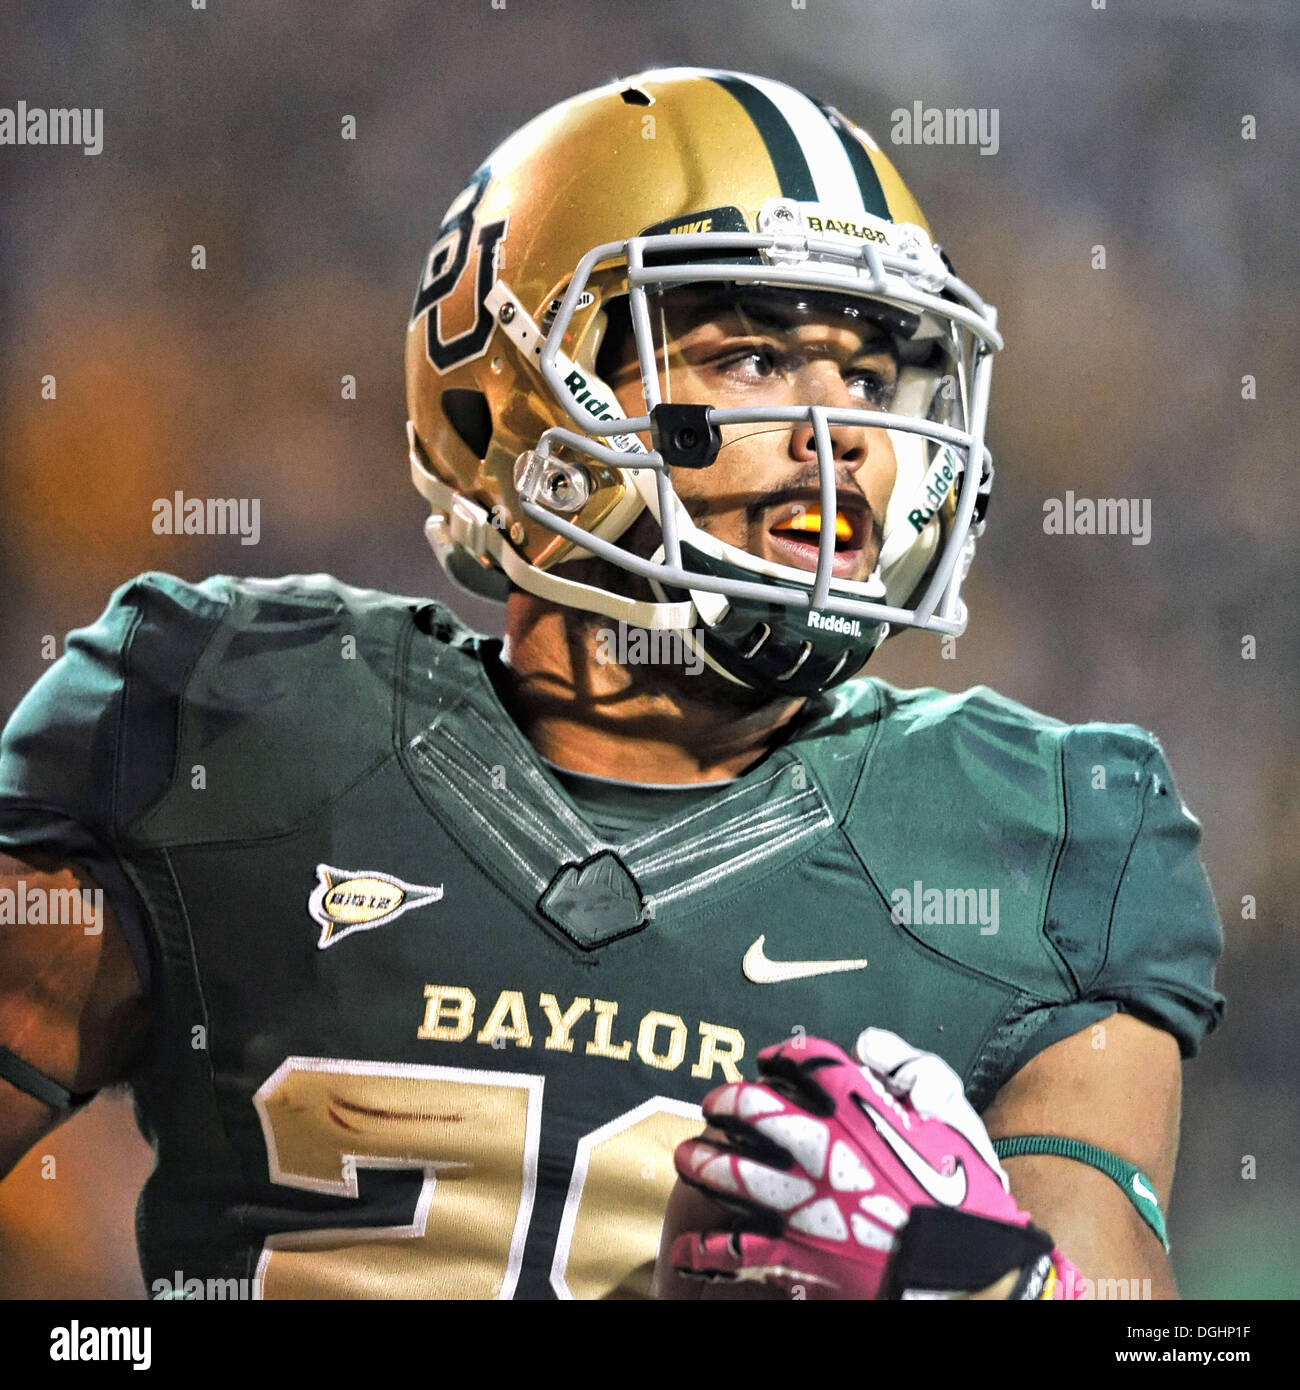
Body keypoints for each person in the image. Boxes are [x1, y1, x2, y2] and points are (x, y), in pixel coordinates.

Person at [0, 67, 1223, 1301]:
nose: (843, 431)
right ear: (514, 396)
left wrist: (979, 1288)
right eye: (752, 356)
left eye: (870, 376)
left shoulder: (1044, 836)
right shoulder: (229, 724)